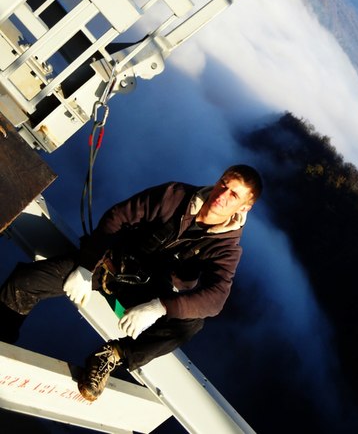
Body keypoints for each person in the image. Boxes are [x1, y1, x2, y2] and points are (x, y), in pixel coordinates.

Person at [0, 164, 262, 401]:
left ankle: (113, 355)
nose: (222, 195)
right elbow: (118, 217)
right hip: (109, 265)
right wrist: (86, 266)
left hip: (147, 294)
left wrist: (159, 306)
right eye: (223, 184)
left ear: (244, 207)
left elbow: (216, 298)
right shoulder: (175, 196)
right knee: (24, 282)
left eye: (234, 195)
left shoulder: (226, 248)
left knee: (191, 324)